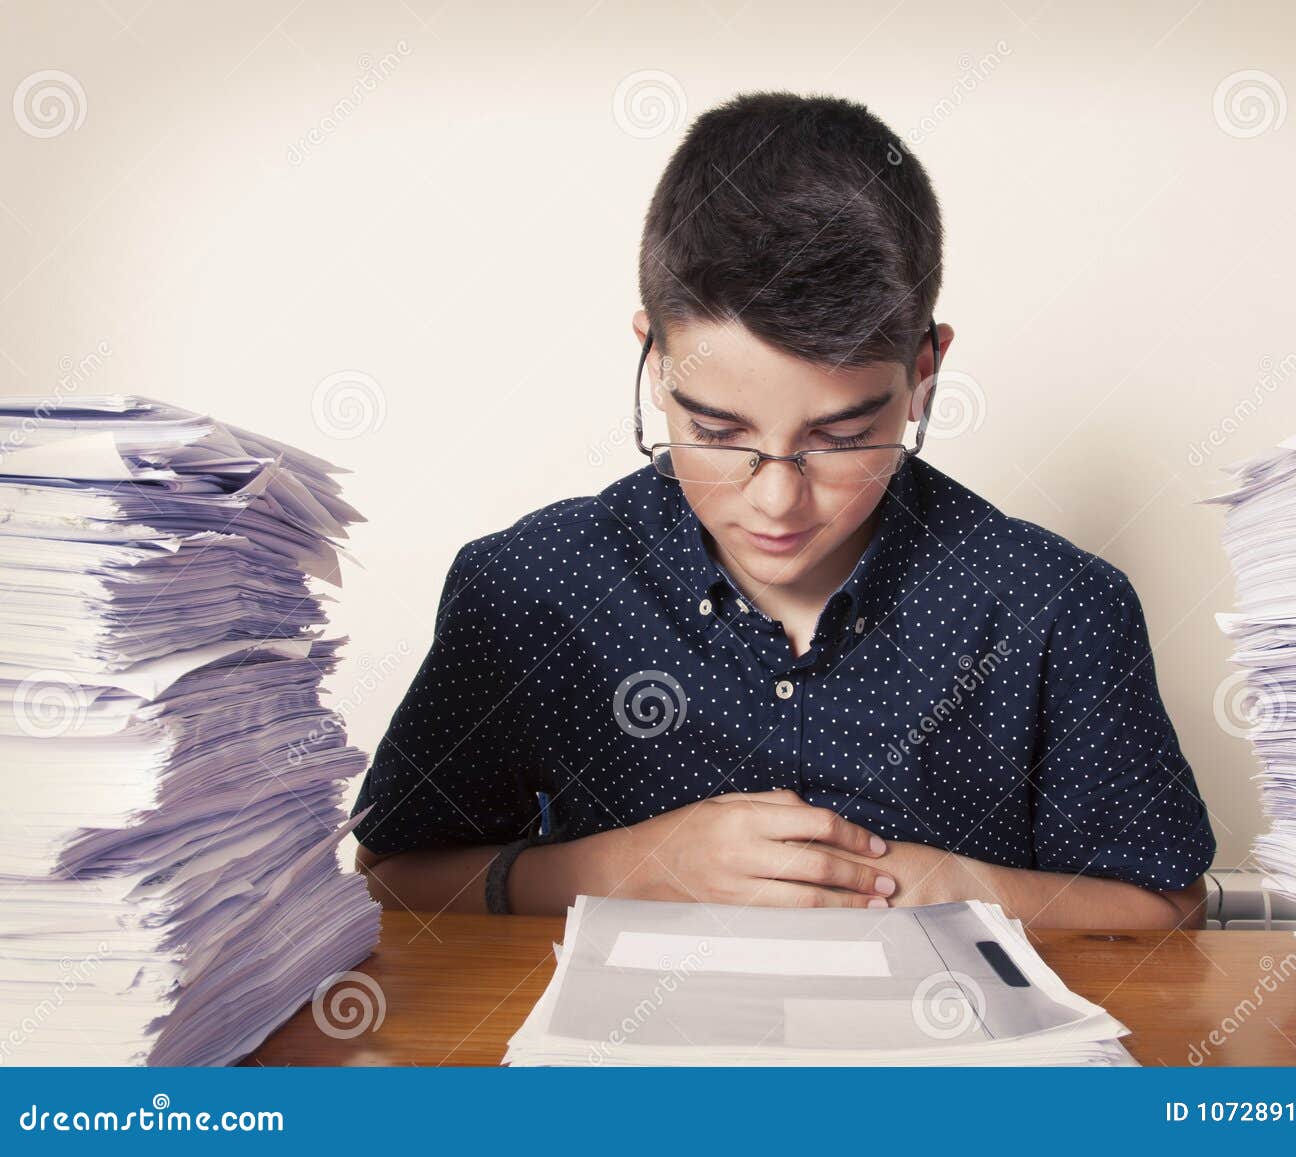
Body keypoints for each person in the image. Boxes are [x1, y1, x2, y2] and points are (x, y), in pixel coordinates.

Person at [351, 91, 1215, 928]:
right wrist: (628, 868)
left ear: (924, 371)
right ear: (655, 360)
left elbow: (1167, 905)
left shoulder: (1058, 605)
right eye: (716, 431)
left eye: (841, 436)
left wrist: (961, 886)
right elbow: (394, 875)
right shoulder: (529, 586)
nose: (775, 499)